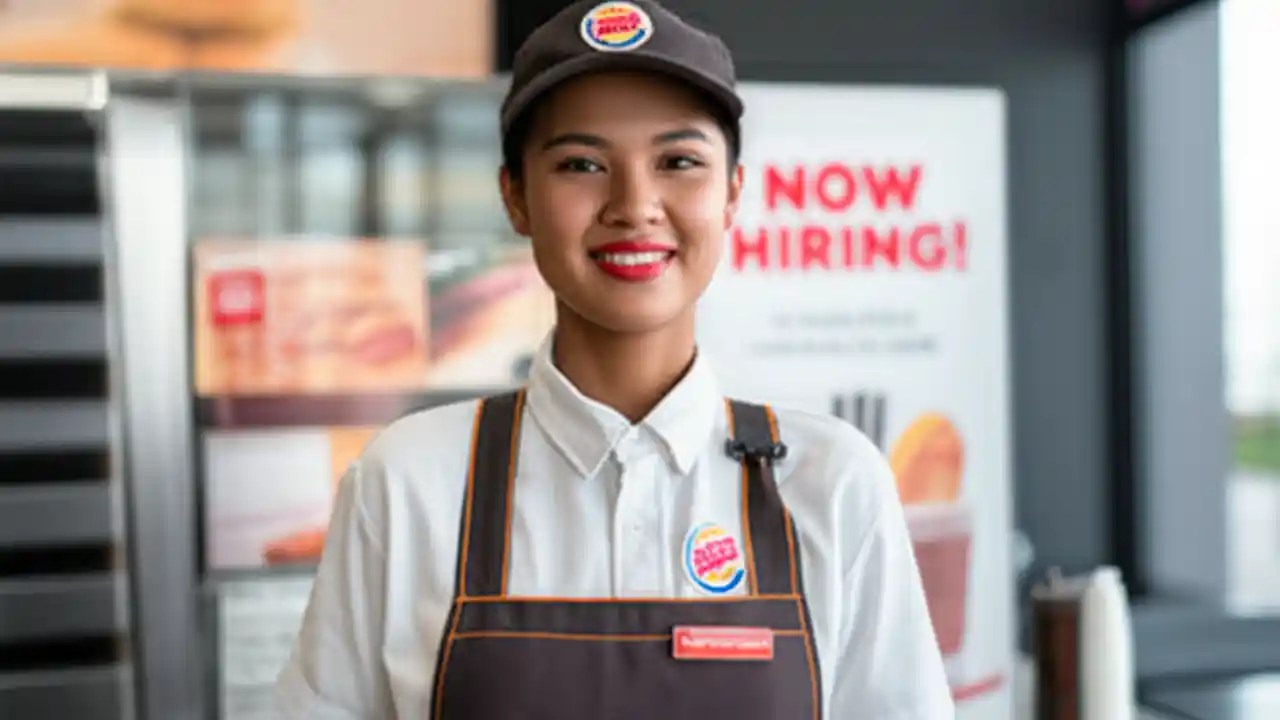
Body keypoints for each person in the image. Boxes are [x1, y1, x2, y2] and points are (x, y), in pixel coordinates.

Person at [276, 1, 954, 718]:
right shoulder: (410, 481)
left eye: (679, 162)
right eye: (582, 164)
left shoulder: (833, 483)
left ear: (731, 194)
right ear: (515, 197)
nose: (634, 205)